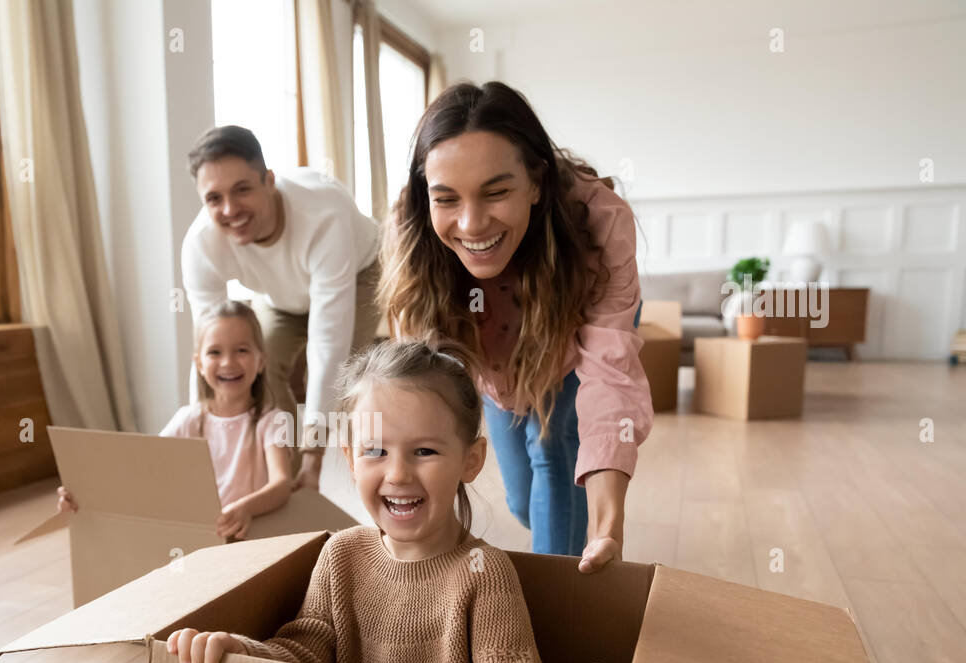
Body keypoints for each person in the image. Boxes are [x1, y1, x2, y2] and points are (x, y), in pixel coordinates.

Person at [165, 339, 559, 663]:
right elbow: (304, 654)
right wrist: (244, 654)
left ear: (470, 461)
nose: (398, 474)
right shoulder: (341, 555)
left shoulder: (485, 573)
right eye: (376, 451)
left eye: (424, 451)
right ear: (352, 460)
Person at [378, 82, 653, 572]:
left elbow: (610, 380)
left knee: (552, 456)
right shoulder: (412, 227)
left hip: (572, 345)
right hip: (493, 365)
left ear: (537, 183)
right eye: (447, 199)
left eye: (497, 192)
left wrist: (607, 525)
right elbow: (415, 379)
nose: (472, 223)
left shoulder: (600, 222)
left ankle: (561, 600)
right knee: (523, 502)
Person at [181, 125, 381, 493]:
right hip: (278, 295)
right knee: (258, 365)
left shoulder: (324, 214)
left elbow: (328, 346)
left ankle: (323, 477)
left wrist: (313, 459)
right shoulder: (200, 245)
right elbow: (208, 351)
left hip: (358, 273)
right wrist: (200, 444)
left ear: (269, 180)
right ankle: (280, 483)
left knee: (345, 380)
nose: (229, 210)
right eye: (214, 198)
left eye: (242, 189)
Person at [58, 301, 293, 542]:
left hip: (250, 541)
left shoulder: (272, 421)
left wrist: (246, 508)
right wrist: (84, 494)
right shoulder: (187, 420)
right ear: (200, 364)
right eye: (215, 352)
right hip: (196, 539)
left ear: (261, 361)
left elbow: (282, 484)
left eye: (241, 350)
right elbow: (142, 467)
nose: (227, 362)